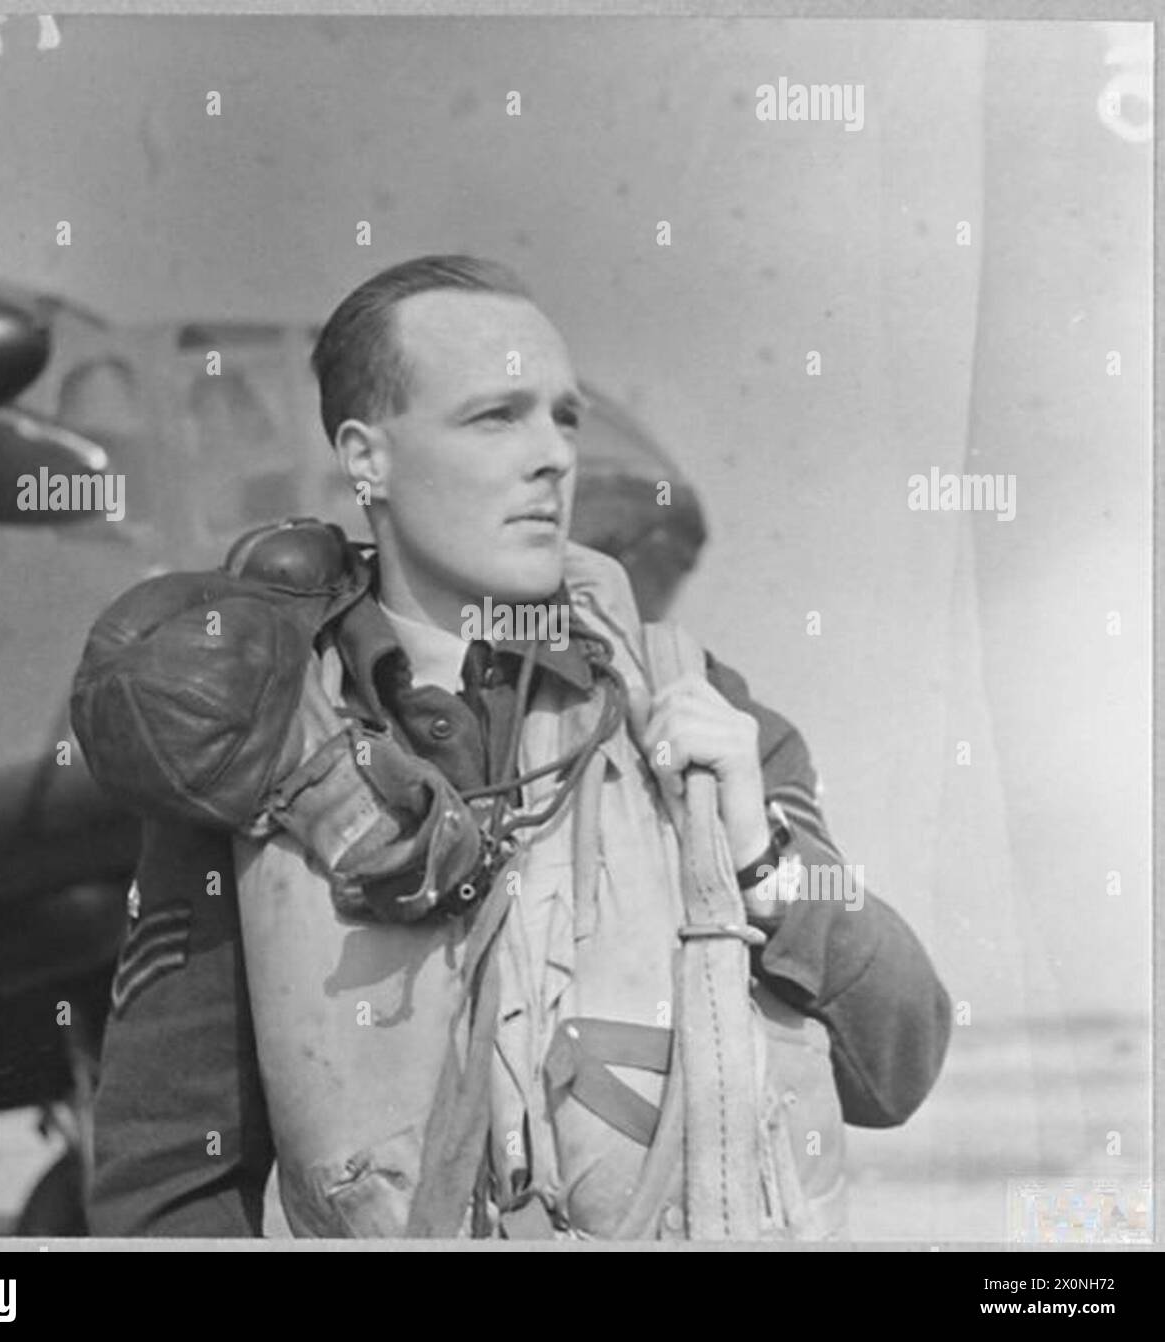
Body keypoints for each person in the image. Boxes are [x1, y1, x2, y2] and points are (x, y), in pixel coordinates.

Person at [71, 254, 951, 1240]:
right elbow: (166, 1190)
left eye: (561, 416)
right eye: (495, 417)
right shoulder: (262, 754)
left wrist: (762, 862)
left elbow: (899, 1060)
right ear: (367, 459)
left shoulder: (690, 704)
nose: (553, 457)